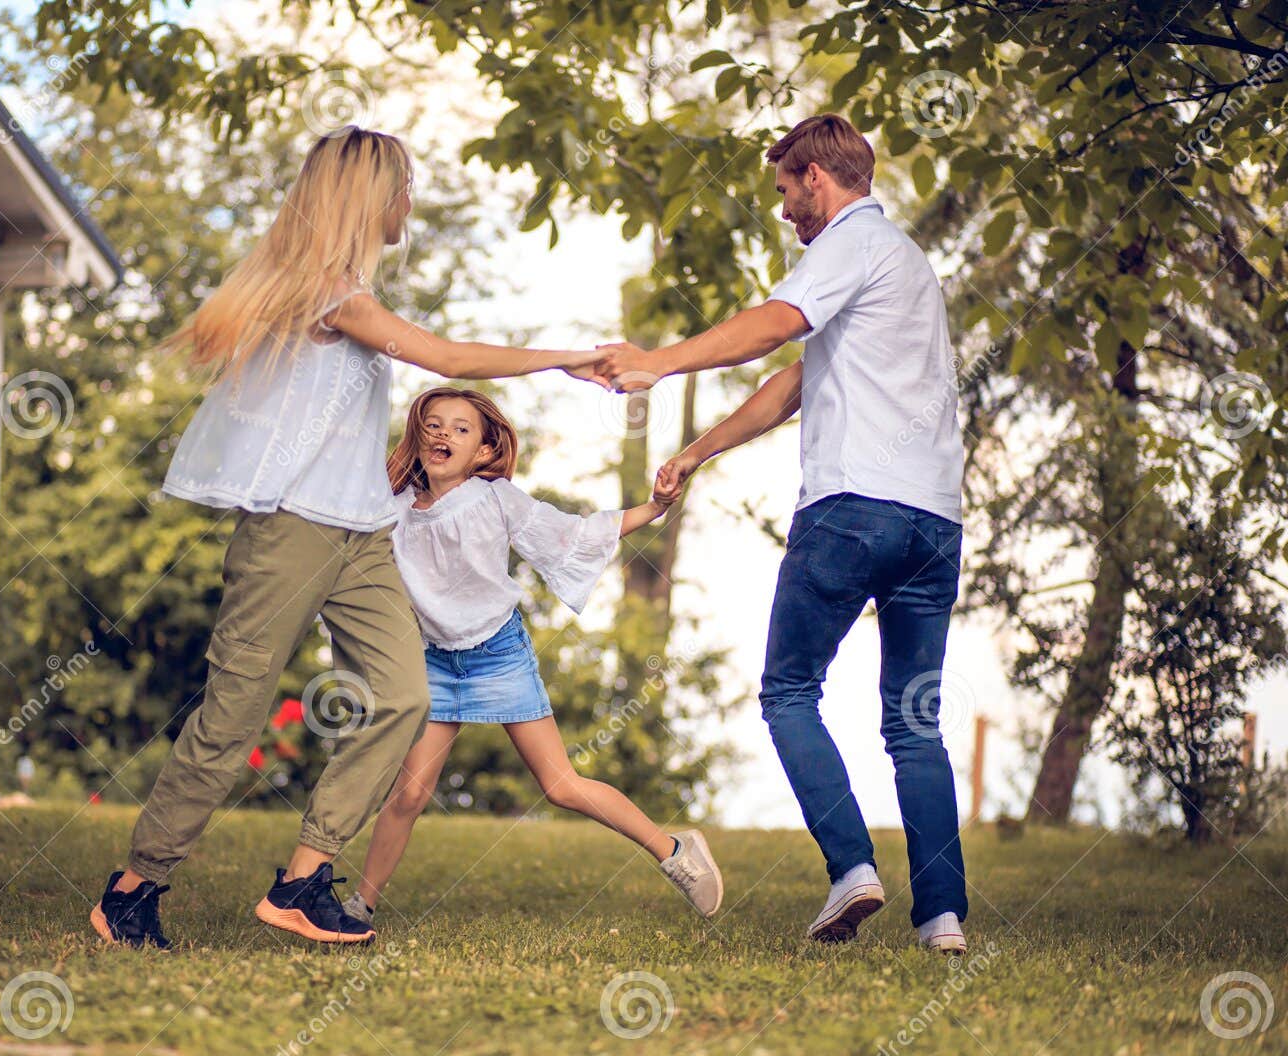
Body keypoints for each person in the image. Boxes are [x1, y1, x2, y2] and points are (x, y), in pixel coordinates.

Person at [91, 127, 610, 948]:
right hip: (291, 534)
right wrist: (566, 358)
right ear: (371, 195)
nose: (411, 200)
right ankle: (133, 887)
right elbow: (440, 352)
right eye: (405, 184)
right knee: (232, 719)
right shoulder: (328, 294)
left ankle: (304, 878)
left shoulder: (342, 292)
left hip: (362, 533)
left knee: (406, 695)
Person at [598, 113, 969, 954]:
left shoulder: (845, 242)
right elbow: (796, 380)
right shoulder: (909, 267)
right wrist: (696, 450)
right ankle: (942, 917)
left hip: (850, 508)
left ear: (816, 175)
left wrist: (659, 360)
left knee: (788, 690)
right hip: (934, 520)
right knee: (915, 721)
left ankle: (852, 867)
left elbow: (774, 324)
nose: (784, 211)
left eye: (786, 192)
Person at [340, 387, 723, 925]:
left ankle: (675, 852)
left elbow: (572, 534)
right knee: (408, 795)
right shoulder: (393, 512)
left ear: (484, 451)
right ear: (417, 436)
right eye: (432, 424)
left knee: (561, 785)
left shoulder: (495, 499)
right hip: (434, 660)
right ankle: (360, 907)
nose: (442, 433)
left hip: (498, 654)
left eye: (460, 428)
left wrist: (655, 508)